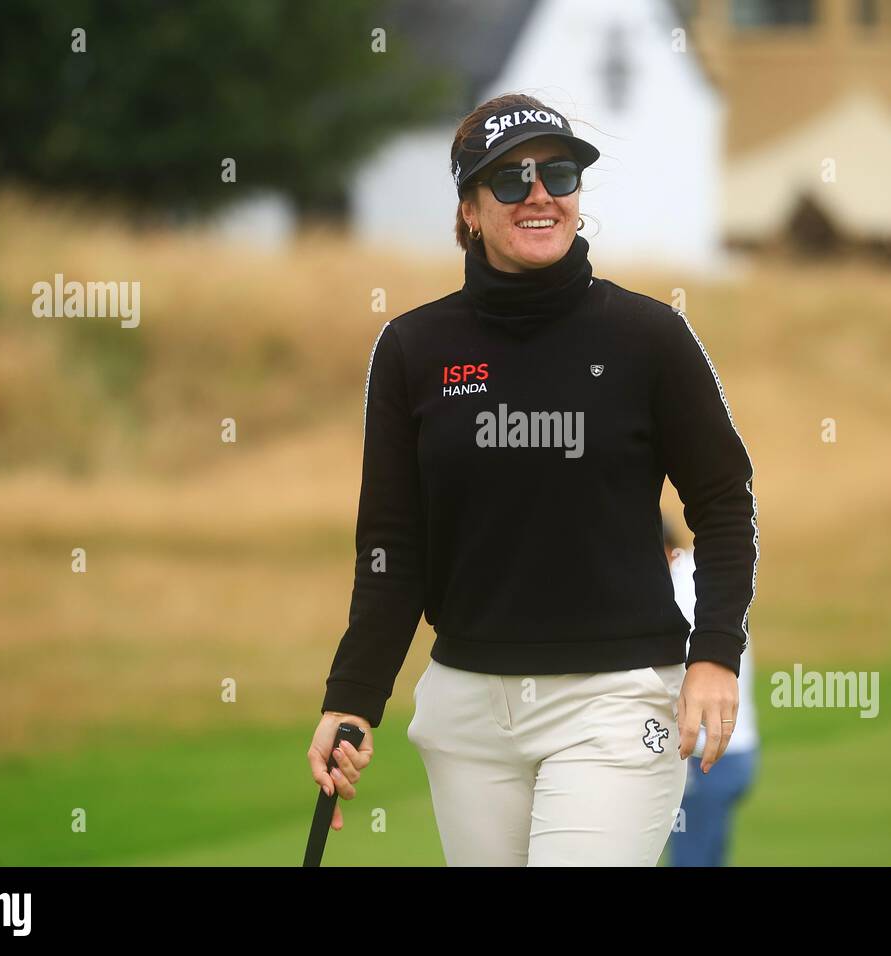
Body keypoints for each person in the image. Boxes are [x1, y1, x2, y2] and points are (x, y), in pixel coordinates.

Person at [307, 91, 760, 866]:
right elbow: (391, 548)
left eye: (558, 172)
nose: (539, 193)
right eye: (509, 181)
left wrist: (715, 651)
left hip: (614, 701)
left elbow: (724, 504)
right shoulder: (413, 350)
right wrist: (352, 696)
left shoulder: (649, 337)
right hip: (469, 708)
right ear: (470, 211)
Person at [661, 519, 759, 867]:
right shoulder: (705, 585)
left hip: (704, 755)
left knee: (692, 859)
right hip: (733, 750)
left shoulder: (678, 587)